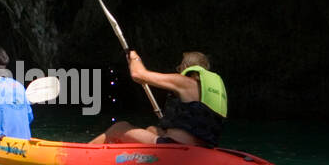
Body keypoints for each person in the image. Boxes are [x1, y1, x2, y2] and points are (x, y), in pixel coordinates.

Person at [89, 51, 227, 147]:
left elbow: (138, 74)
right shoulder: (213, 89)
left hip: (178, 148)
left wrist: (134, 58)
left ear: (185, 67)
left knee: (120, 127)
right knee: (151, 130)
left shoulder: (185, 82)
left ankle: (83, 152)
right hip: (203, 148)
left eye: (180, 67)